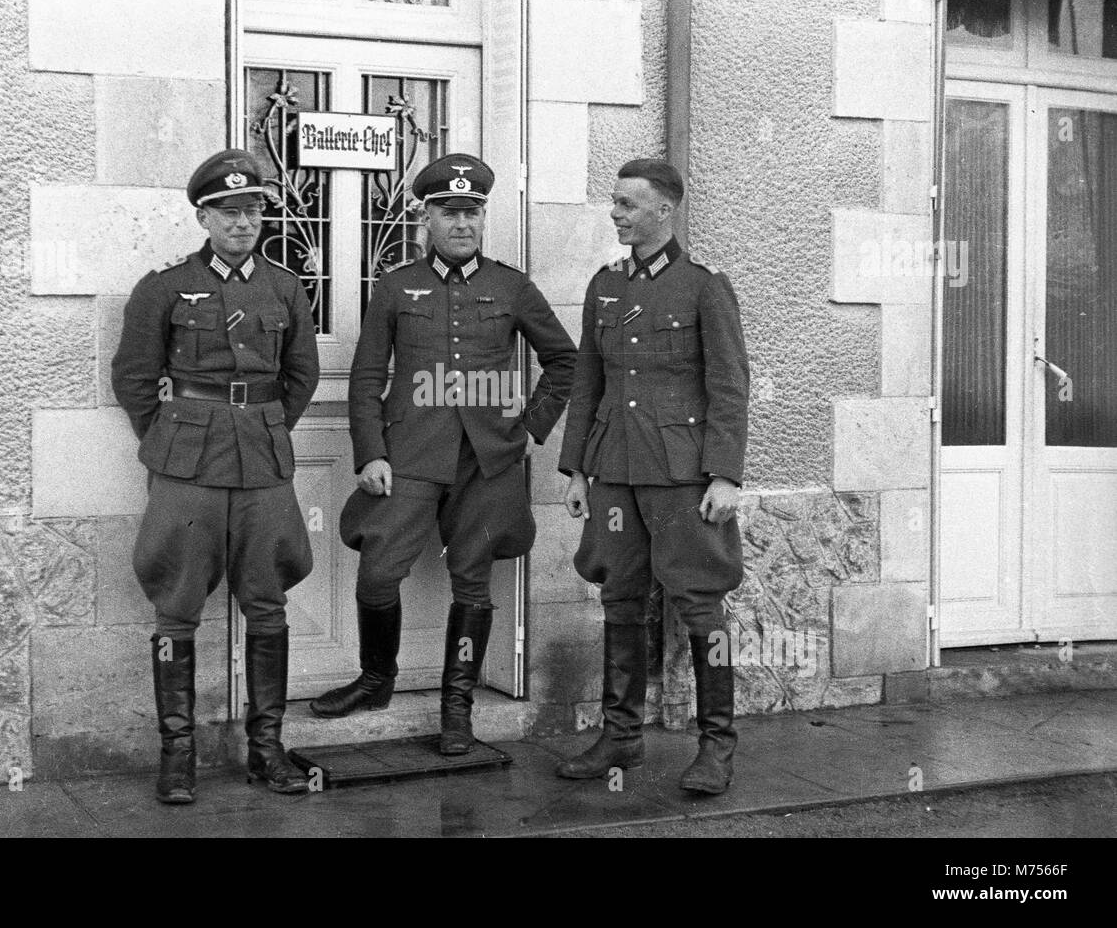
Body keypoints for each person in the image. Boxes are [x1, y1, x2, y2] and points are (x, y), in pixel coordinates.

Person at [310, 152, 577, 756]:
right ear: (424, 217)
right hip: (409, 451)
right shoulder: (397, 285)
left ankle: (457, 705)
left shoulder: (511, 286)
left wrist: (528, 426)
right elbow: (366, 376)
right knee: (379, 568)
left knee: (473, 583)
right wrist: (370, 452)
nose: (462, 224)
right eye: (449, 213)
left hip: (487, 459)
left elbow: (566, 361)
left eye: (472, 213)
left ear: (483, 218)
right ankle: (377, 679)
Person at [111, 149, 320, 803]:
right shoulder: (166, 287)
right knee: (176, 605)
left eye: (253, 208)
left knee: (267, 597)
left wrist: (263, 424)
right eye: (228, 211)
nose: (242, 221)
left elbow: (302, 374)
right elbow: (134, 377)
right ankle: (179, 756)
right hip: (187, 460)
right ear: (203, 215)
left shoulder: (285, 286)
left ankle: (266, 748)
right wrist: (171, 435)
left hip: (260, 457)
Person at [556, 158, 750, 794]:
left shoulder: (703, 287)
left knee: (699, 603)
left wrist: (725, 475)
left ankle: (717, 746)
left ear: (664, 211)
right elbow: (588, 381)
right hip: (614, 469)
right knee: (620, 596)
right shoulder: (605, 287)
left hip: (682, 475)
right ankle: (621, 737)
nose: (615, 213)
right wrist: (576, 467)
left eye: (627, 204)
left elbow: (728, 385)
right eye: (615, 203)